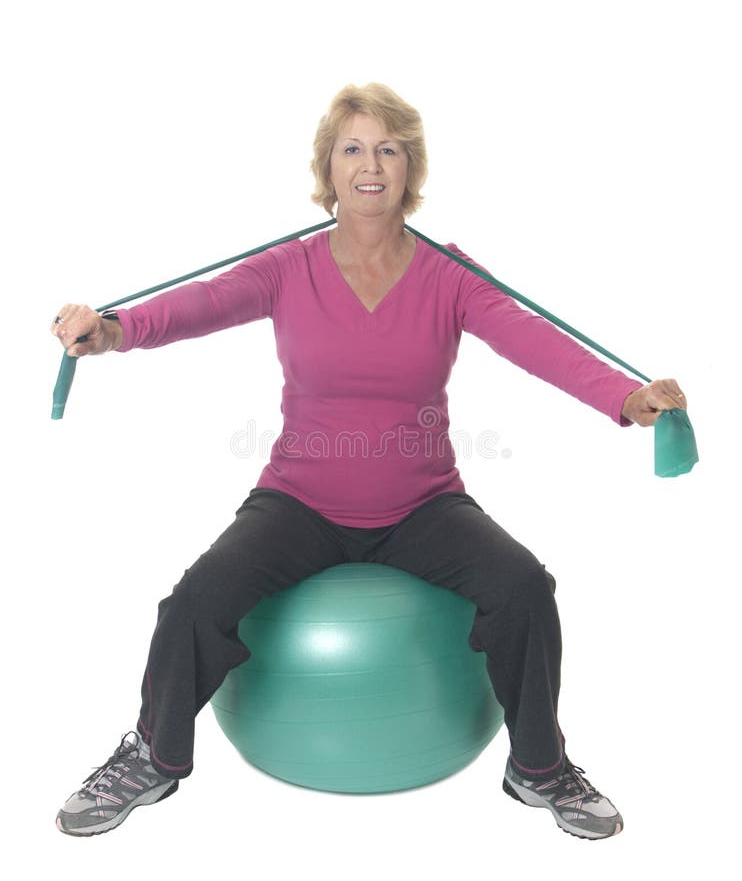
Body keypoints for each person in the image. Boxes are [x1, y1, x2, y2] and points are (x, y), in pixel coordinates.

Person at [52, 82, 686, 840]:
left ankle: (539, 767)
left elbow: (537, 344)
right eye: (352, 147)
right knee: (192, 603)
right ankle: (152, 757)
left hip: (423, 505)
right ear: (329, 166)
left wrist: (627, 398)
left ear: (409, 166)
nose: (370, 164)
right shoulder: (287, 267)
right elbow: (196, 305)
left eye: (388, 147)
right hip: (299, 500)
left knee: (524, 587)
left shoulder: (452, 276)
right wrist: (114, 330)